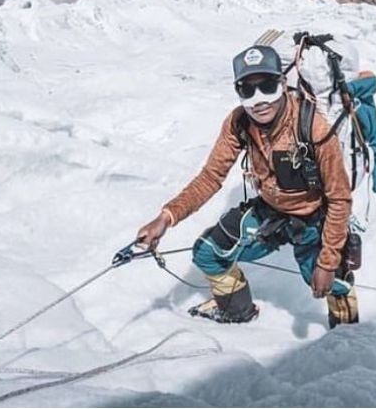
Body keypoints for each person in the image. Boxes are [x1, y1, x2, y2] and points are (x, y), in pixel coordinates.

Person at [135, 44, 359, 327]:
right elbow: (210, 177)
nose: (258, 99)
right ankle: (237, 310)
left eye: (267, 86)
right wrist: (166, 217)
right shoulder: (238, 123)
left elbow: (339, 198)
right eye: (247, 90)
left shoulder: (312, 127)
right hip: (270, 213)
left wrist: (327, 263)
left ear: (281, 83)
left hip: (315, 219)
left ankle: (348, 333)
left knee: (329, 282)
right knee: (208, 252)